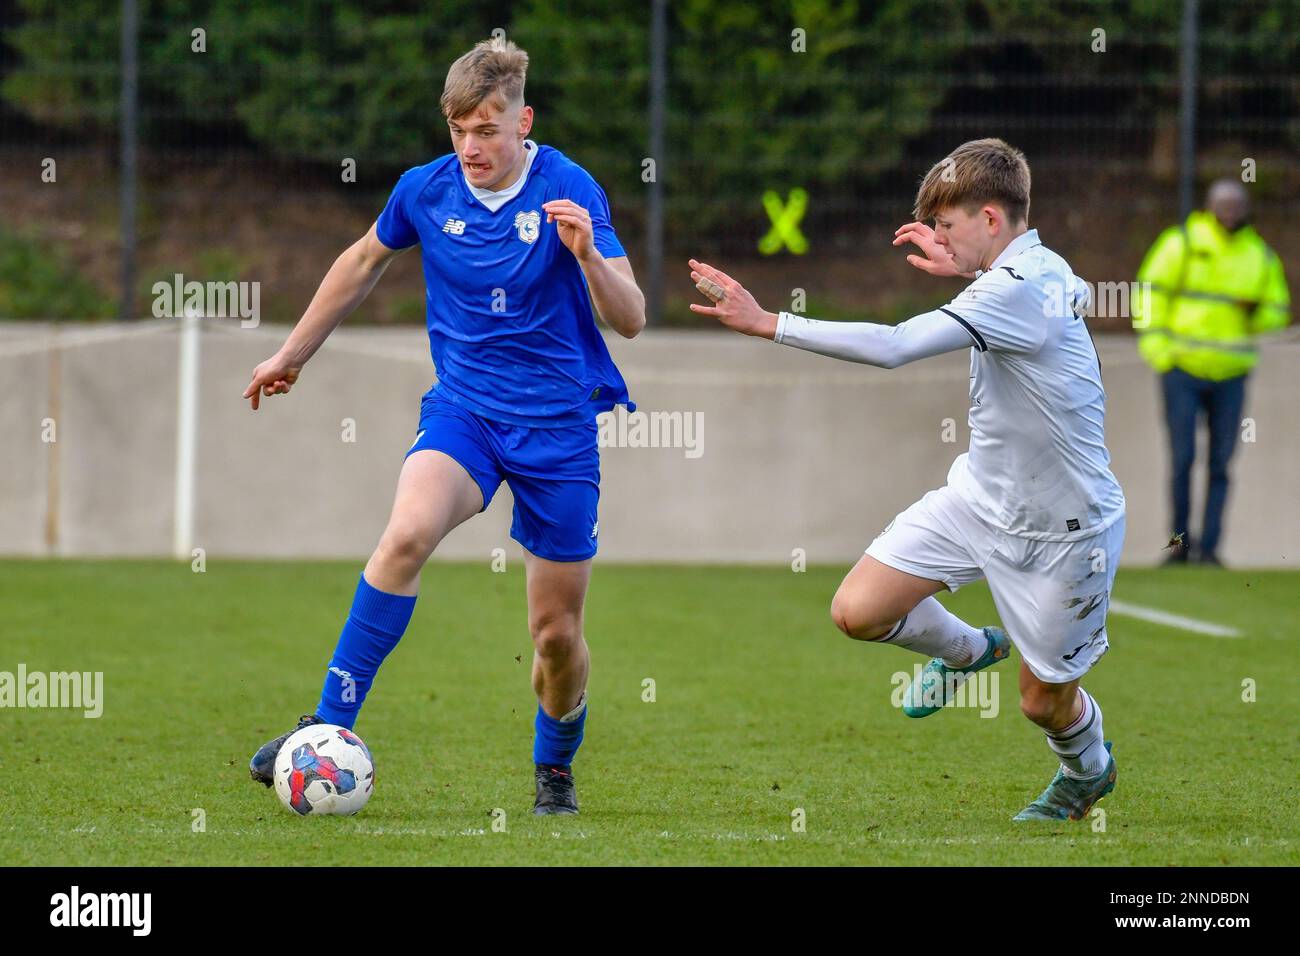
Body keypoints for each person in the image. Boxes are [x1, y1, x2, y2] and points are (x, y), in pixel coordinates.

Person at [242, 37, 645, 815]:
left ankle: (554, 764)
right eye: (458, 130)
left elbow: (628, 319)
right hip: (464, 410)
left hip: (558, 429)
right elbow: (362, 261)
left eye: (486, 130)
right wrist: (291, 355)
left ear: (522, 121)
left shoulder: (570, 188)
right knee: (404, 536)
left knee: (556, 636)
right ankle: (326, 725)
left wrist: (591, 256)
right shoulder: (425, 191)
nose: (470, 147)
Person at [688, 138, 1125, 822]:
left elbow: (895, 347)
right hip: (980, 500)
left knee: (1043, 702)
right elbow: (1013, 304)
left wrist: (770, 322)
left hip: (1065, 530)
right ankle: (968, 649)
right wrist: (966, 270)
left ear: (989, 219)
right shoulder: (1038, 269)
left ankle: (1087, 772)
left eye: (949, 226)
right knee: (858, 611)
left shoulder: (1019, 287)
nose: (940, 239)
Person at [1133, 179, 1290, 566]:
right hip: (1182, 370)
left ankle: (1211, 549)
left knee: (1221, 463)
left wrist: (1257, 313)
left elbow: (1278, 311)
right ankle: (1178, 546)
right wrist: (1159, 352)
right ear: (1209, 206)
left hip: (1231, 374)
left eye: (1237, 205)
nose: (1231, 212)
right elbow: (1148, 292)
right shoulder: (1181, 243)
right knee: (1183, 458)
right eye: (1224, 205)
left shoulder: (1259, 254)